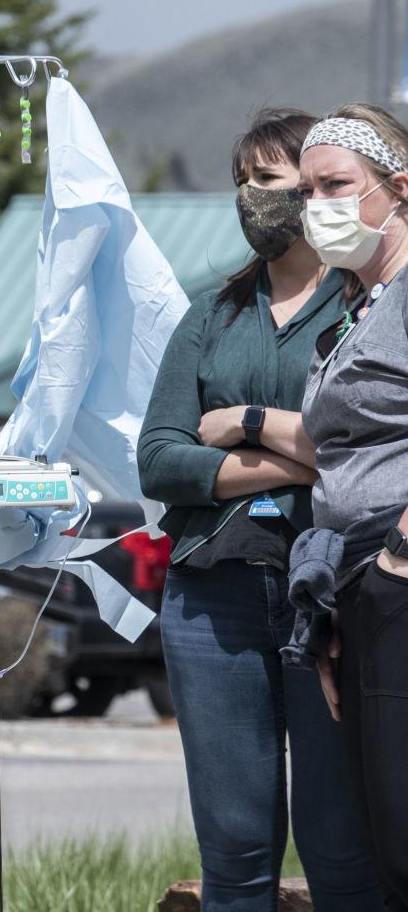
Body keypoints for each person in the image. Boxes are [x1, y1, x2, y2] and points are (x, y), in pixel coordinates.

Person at [138, 110, 383, 911]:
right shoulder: (212, 314)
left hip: (330, 595)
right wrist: (289, 456)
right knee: (235, 848)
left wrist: (241, 423)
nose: (255, 197)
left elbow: (354, 446)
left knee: (338, 842)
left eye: (272, 179)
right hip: (211, 593)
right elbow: (160, 458)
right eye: (243, 180)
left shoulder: (361, 306)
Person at [291, 104, 408, 906]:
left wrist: (399, 556)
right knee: (385, 835)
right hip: (356, 584)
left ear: (396, 188)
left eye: (335, 185)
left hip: (395, 573)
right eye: (305, 191)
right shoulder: (352, 307)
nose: (316, 206)